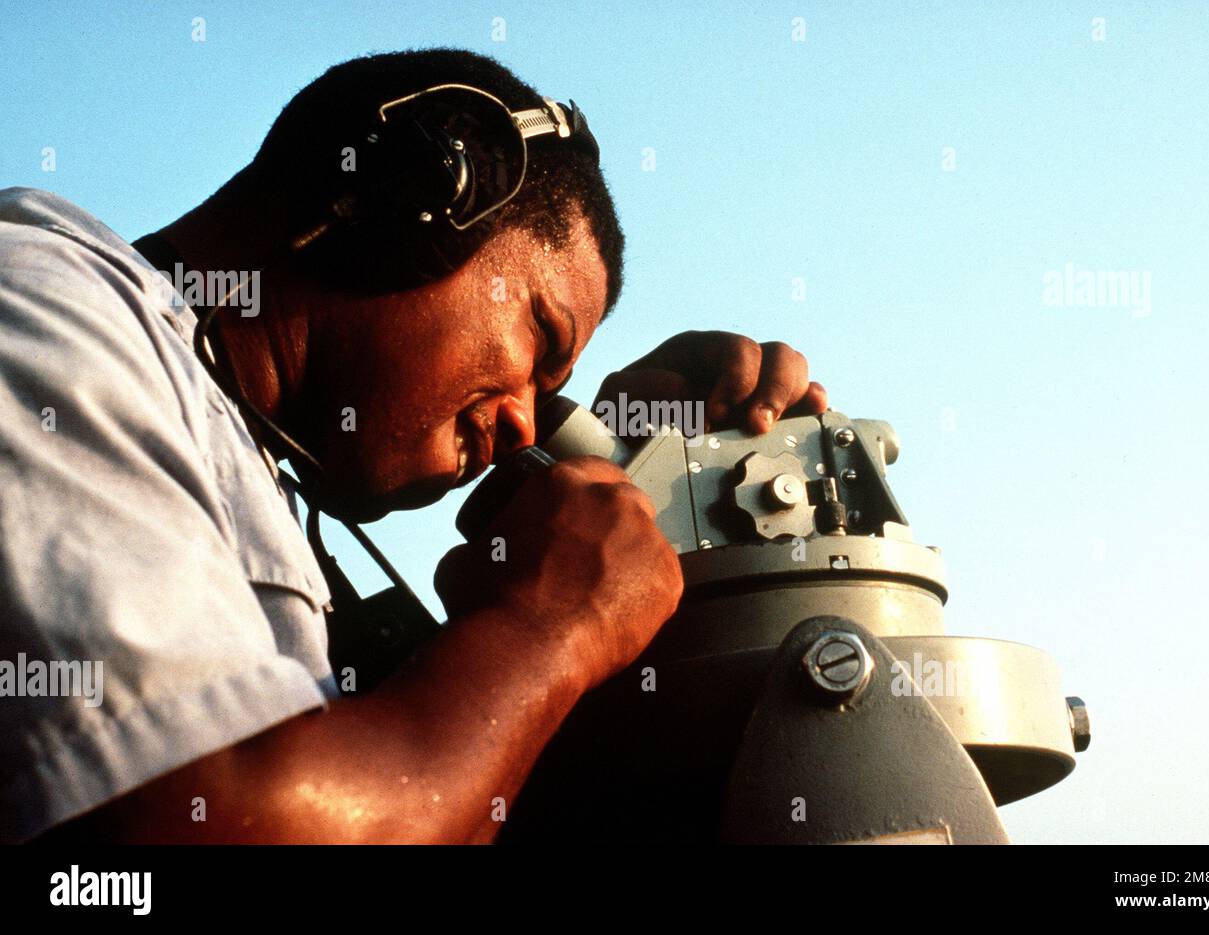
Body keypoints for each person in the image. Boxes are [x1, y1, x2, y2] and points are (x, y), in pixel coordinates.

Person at [0, 49, 826, 843]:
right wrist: (547, 626)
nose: (526, 429)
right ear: (409, 198)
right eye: (540, 337)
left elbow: (408, 797)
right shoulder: (44, 310)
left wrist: (641, 475)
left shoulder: (219, 448)